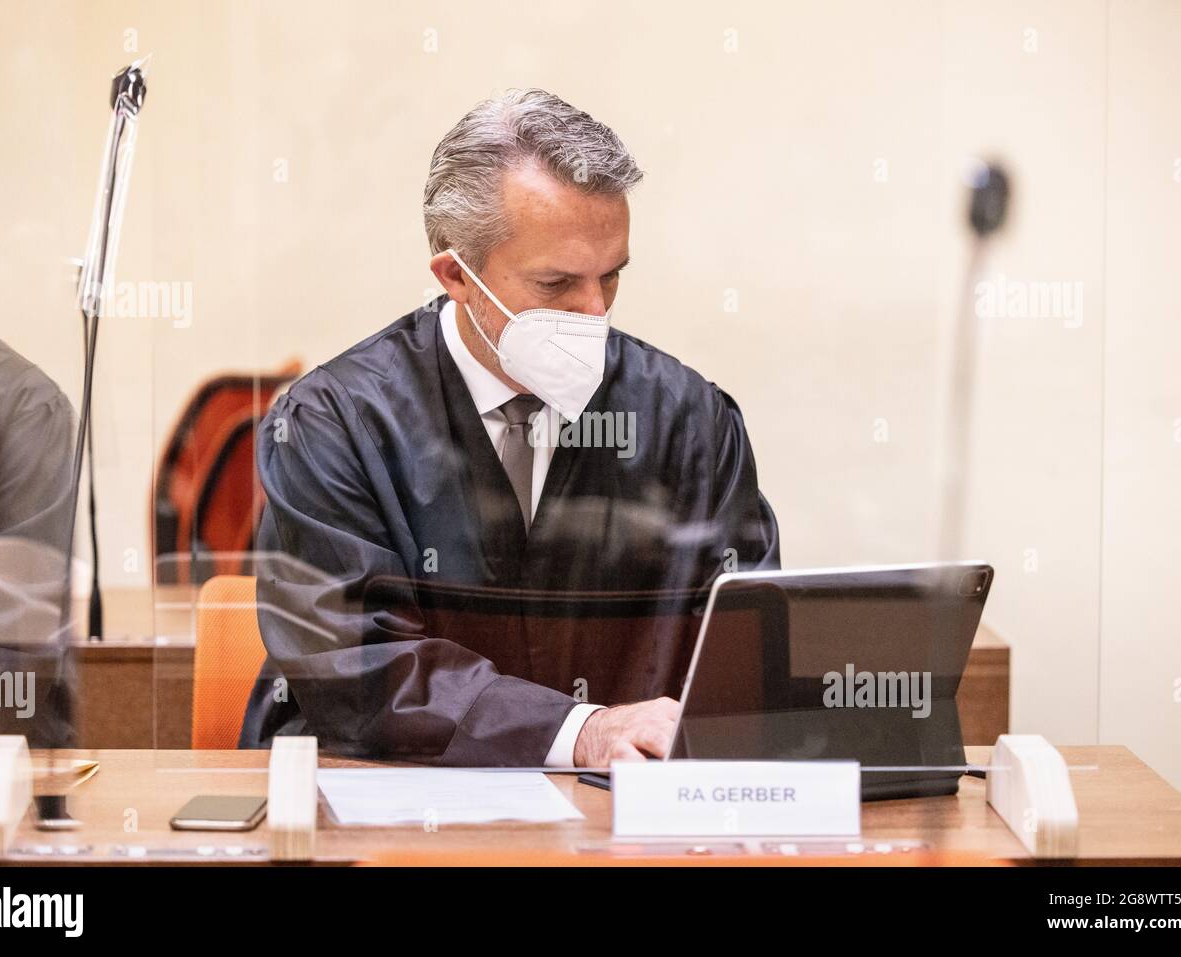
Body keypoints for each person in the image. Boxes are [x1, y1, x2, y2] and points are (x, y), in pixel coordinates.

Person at [241, 89, 779, 766]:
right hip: (388, 805)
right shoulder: (334, 426)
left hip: (620, 822)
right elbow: (357, 661)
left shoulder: (689, 421)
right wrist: (578, 730)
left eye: (610, 278)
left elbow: (743, 643)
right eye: (557, 285)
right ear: (456, 275)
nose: (593, 313)